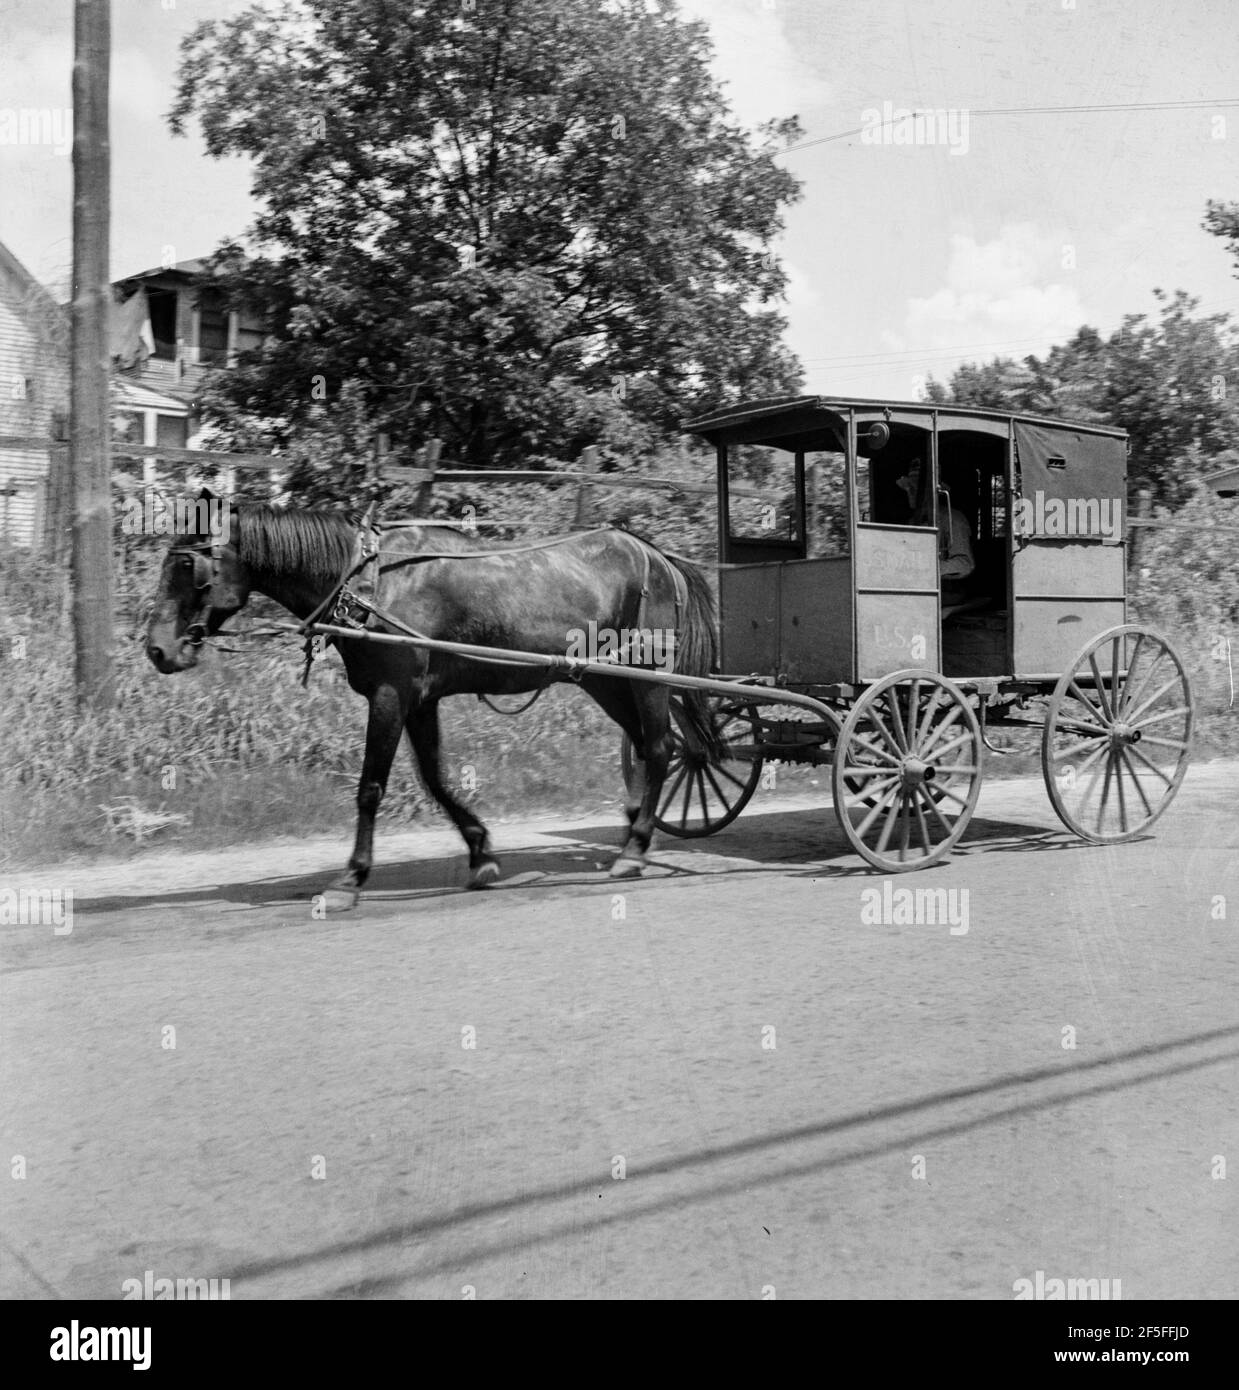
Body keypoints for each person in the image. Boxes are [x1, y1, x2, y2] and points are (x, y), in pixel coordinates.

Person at [894, 463, 974, 593]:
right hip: (916, 587)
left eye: (915, 486)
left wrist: (931, 569)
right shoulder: (912, 521)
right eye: (908, 487)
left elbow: (965, 564)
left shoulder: (953, 519)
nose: (910, 491)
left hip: (946, 590)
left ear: (933, 491)